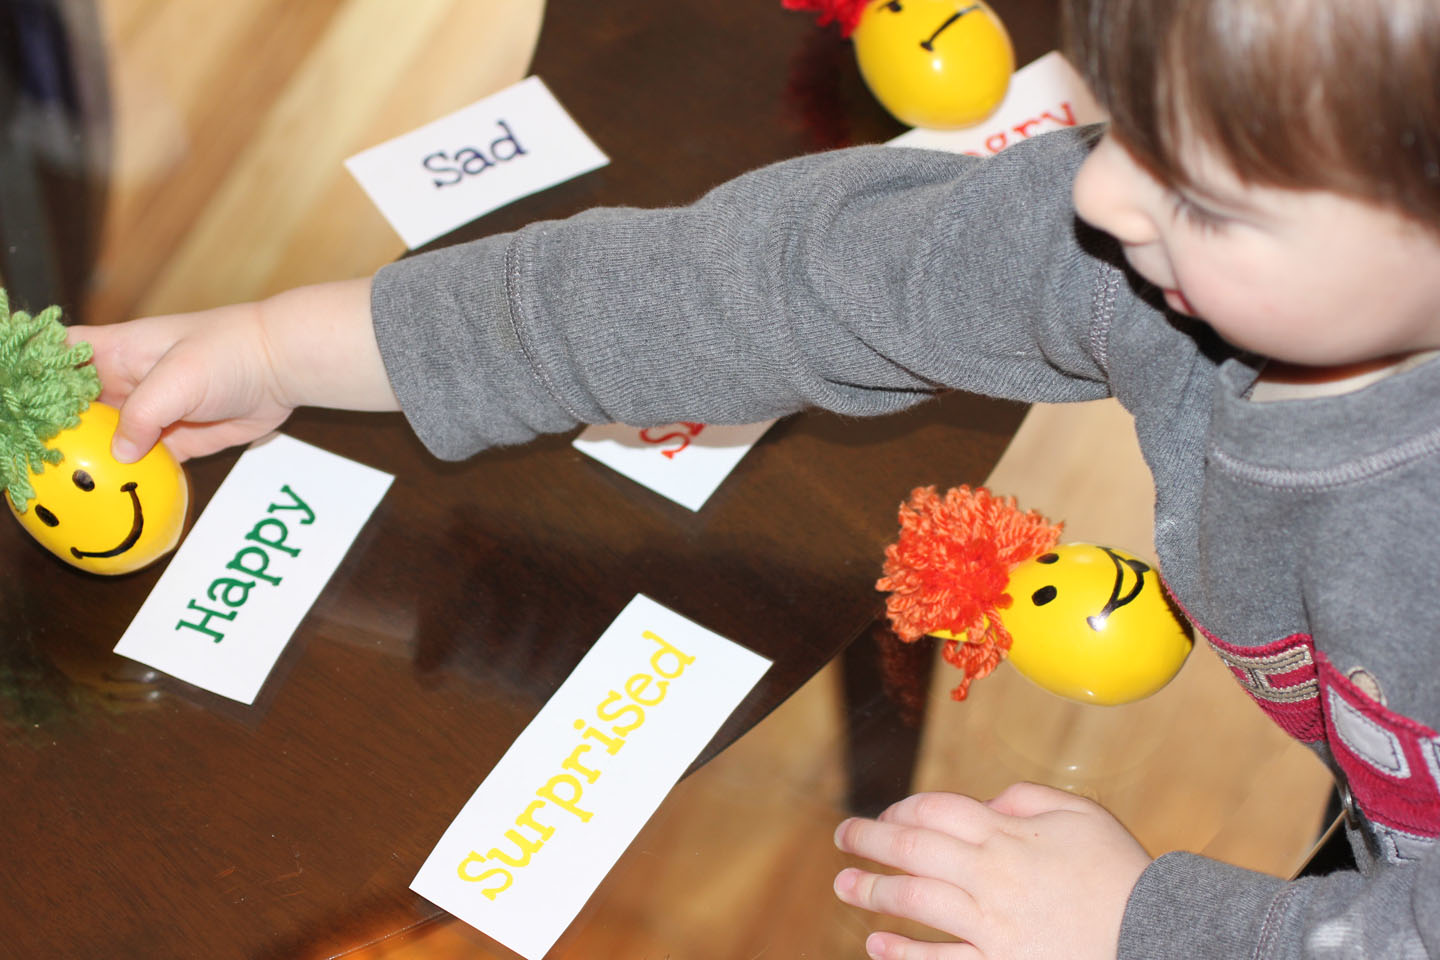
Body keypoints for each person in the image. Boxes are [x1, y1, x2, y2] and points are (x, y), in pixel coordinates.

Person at [71, 0, 1440, 956]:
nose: (1096, 198)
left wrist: (1148, 933)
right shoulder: (1146, 244)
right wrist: (296, 342)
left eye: (1205, 194)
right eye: (1120, 112)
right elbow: (764, 290)